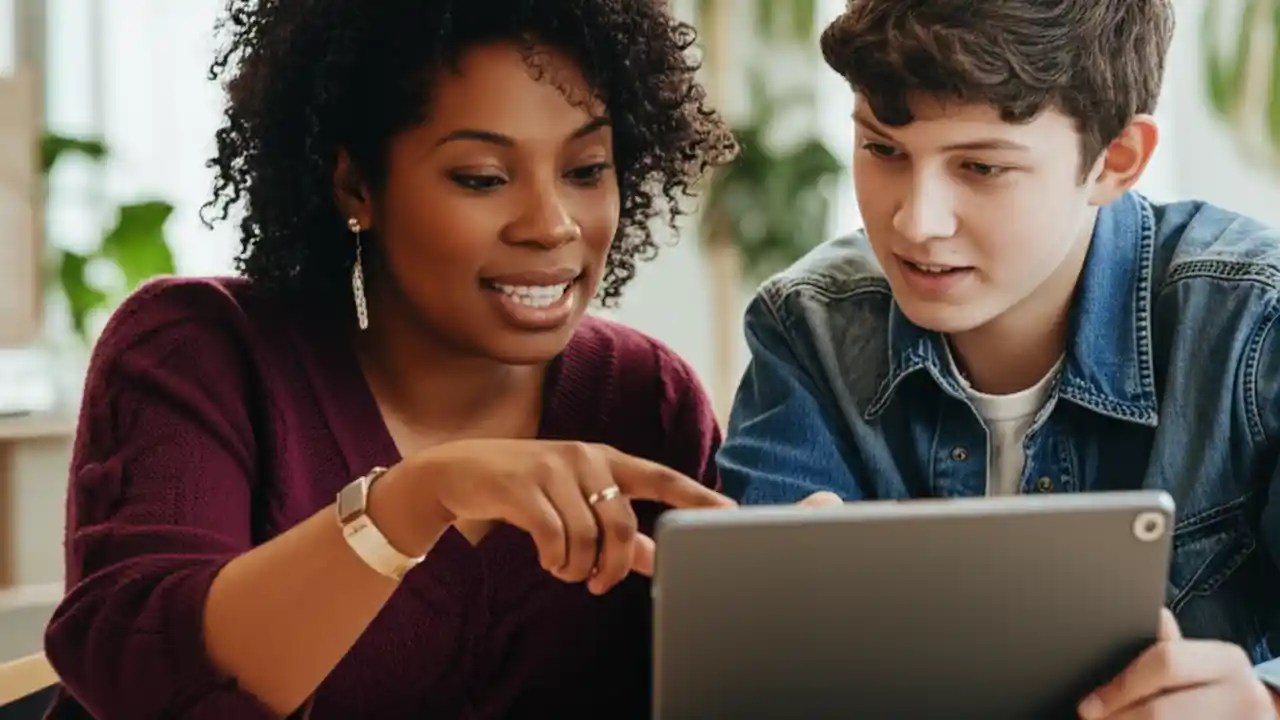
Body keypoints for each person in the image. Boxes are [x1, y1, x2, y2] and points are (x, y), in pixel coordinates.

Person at [41, 1, 740, 718]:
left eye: (587, 169)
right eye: (481, 177)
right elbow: (140, 682)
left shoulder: (647, 399)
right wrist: (415, 500)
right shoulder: (196, 353)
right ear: (356, 186)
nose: (552, 224)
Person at [717, 0, 1280, 717]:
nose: (917, 223)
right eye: (883, 150)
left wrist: (1263, 703)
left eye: (981, 166)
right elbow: (748, 676)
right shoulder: (806, 328)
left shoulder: (1256, 324)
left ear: (1116, 159)